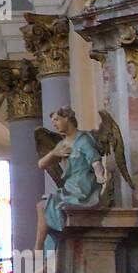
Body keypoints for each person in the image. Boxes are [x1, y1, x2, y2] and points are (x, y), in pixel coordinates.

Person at [35, 106, 105, 252]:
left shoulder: (83, 140)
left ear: (67, 118)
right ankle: (42, 251)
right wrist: (55, 153)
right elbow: (41, 164)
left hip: (83, 187)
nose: (54, 124)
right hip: (70, 187)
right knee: (42, 206)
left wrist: (101, 178)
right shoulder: (62, 144)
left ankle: (39, 250)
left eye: (56, 120)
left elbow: (95, 160)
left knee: (43, 206)